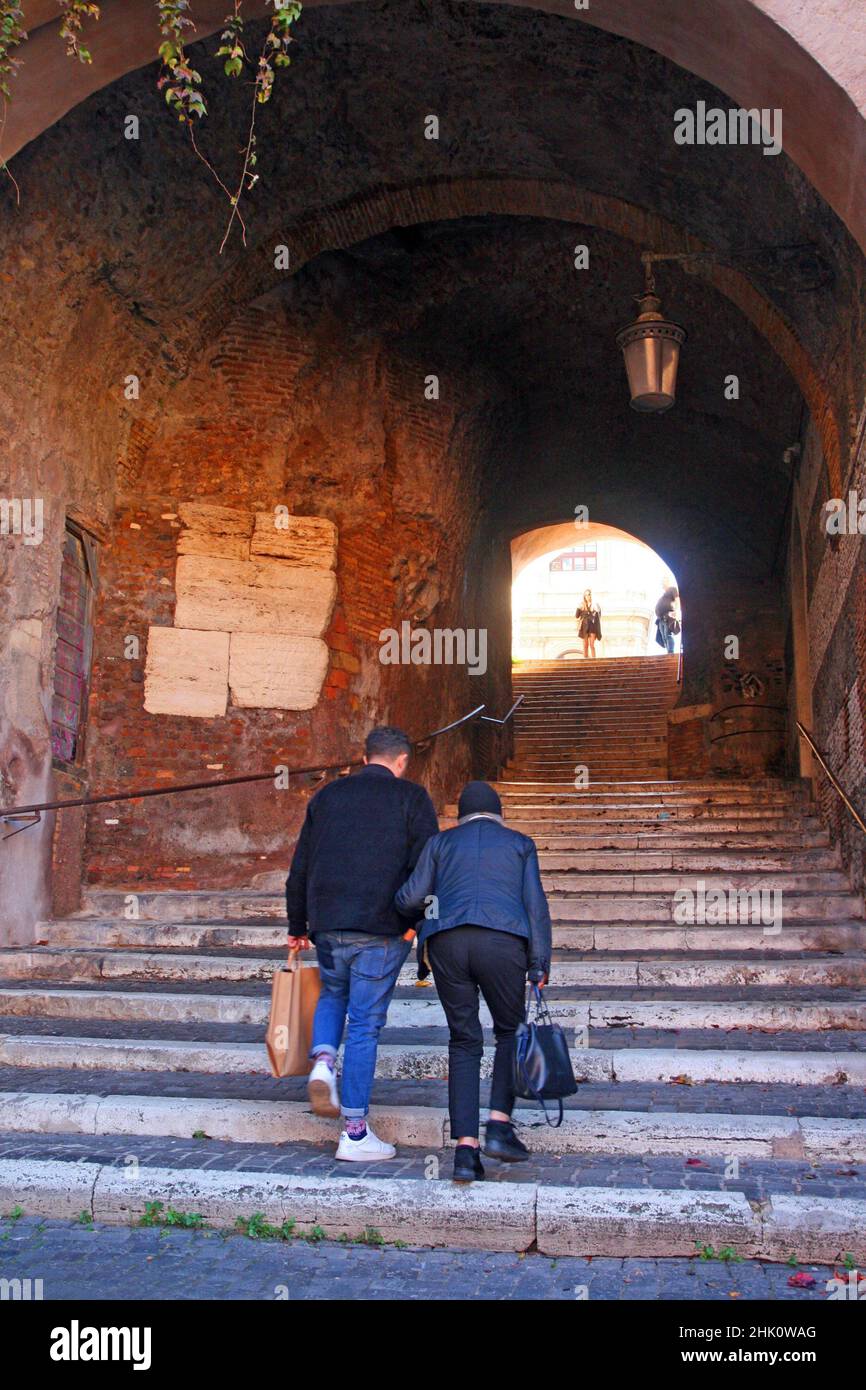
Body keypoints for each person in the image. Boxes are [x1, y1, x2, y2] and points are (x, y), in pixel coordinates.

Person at [285, 726, 438, 1161]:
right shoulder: (412, 799)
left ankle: (323, 1061)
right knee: (366, 1024)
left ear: (364, 756)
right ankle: (353, 1132)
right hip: (383, 927)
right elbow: (427, 866)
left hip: (329, 924)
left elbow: (300, 867)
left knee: (334, 992)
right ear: (403, 761)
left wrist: (299, 923)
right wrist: (414, 923)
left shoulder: (328, 797)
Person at [395, 781, 552, 1183]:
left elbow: (411, 897)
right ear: (499, 814)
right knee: (509, 1032)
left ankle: (465, 1151)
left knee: (464, 1041)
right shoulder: (520, 844)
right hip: (502, 943)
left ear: (460, 815)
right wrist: (539, 963)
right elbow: (535, 905)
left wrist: (427, 915)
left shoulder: (441, 843)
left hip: (447, 943)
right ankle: (499, 1125)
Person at [576, 588, 602, 658]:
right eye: (586, 595)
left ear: (591, 595)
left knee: (592, 645)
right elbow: (576, 616)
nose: (588, 596)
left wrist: (595, 610)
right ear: (584, 596)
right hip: (584, 627)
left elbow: (599, 616)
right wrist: (579, 607)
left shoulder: (595, 604)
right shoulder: (582, 605)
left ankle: (594, 661)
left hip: (592, 627)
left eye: (589, 594)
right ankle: (585, 660)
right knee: (585, 645)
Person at [655, 585, 680, 653]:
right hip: (660, 618)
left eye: (665, 580)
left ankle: (670, 651)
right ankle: (668, 651)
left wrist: (676, 611)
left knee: (668, 634)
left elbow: (677, 599)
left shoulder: (672, 589)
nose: (663, 583)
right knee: (664, 637)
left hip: (668, 615)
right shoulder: (663, 596)